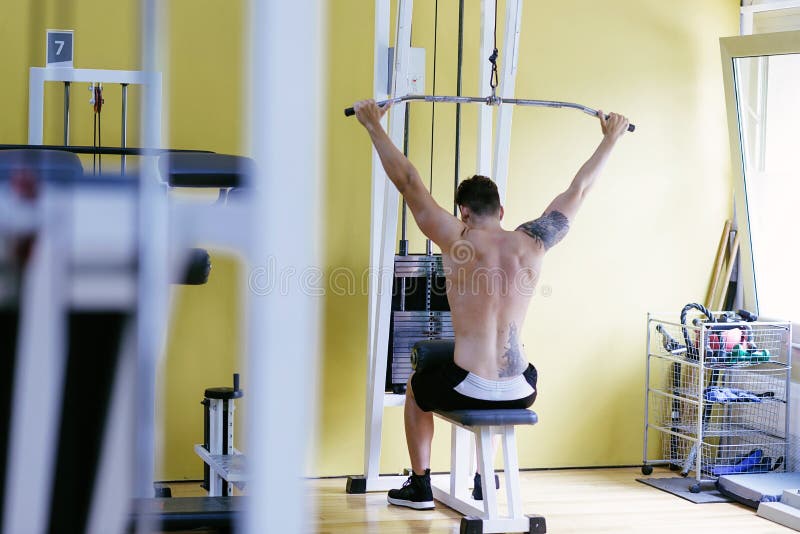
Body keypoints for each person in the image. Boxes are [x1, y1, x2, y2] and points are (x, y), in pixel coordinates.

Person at [353, 99, 629, 510]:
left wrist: (373, 125)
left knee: (416, 387)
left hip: (469, 386)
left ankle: (420, 486)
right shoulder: (534, 241)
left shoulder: (457, 240)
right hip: (522, 389)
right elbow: (579, 190)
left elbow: (408, 182)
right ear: (501, 210)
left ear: (463, 212)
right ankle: (485, 479)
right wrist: (611, 139)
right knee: (503, 380)